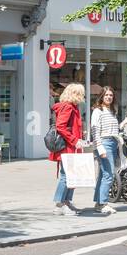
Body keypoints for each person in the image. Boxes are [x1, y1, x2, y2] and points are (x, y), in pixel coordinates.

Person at [50, 82, 85, 217]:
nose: (82, 96)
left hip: (71, 146)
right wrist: (75, 140)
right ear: (74, 94)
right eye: (80, 93)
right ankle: (59, 204)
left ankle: (66, 201)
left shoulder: (72, 107)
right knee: (67, 176)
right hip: (68, 147)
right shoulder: (68, 107)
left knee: (72, 176)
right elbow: (61, 127)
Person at [89, 86, 121, 216]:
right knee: (109, 174)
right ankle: (103, 203)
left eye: (111, 95)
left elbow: (113, 129)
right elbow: (95, 130)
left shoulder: (112, 110)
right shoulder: (98, 111)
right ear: (101, 96)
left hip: (113, 142)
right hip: (104, 143)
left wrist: (123, 122)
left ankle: (99, 203)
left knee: (103, 175)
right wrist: (99, 147)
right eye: (106, 95)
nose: (109, 97)